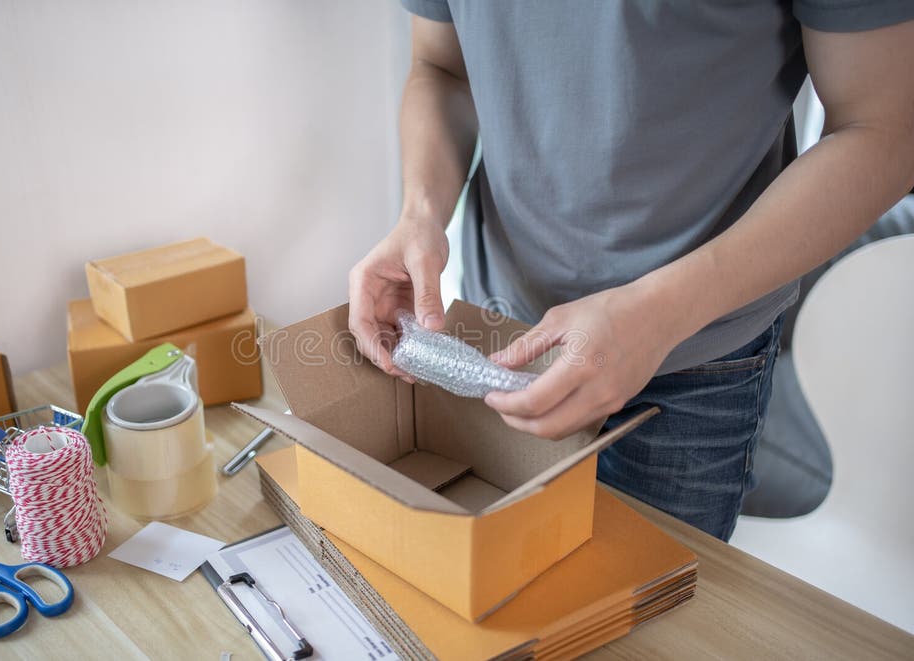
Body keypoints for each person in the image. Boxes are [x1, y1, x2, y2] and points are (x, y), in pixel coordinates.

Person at [348, 2, 914, 540]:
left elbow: (885, 131)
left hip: (691, 360)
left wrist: (661, 313)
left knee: (646, 629)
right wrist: (420, 216)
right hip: (502, 323)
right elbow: (442, 67)